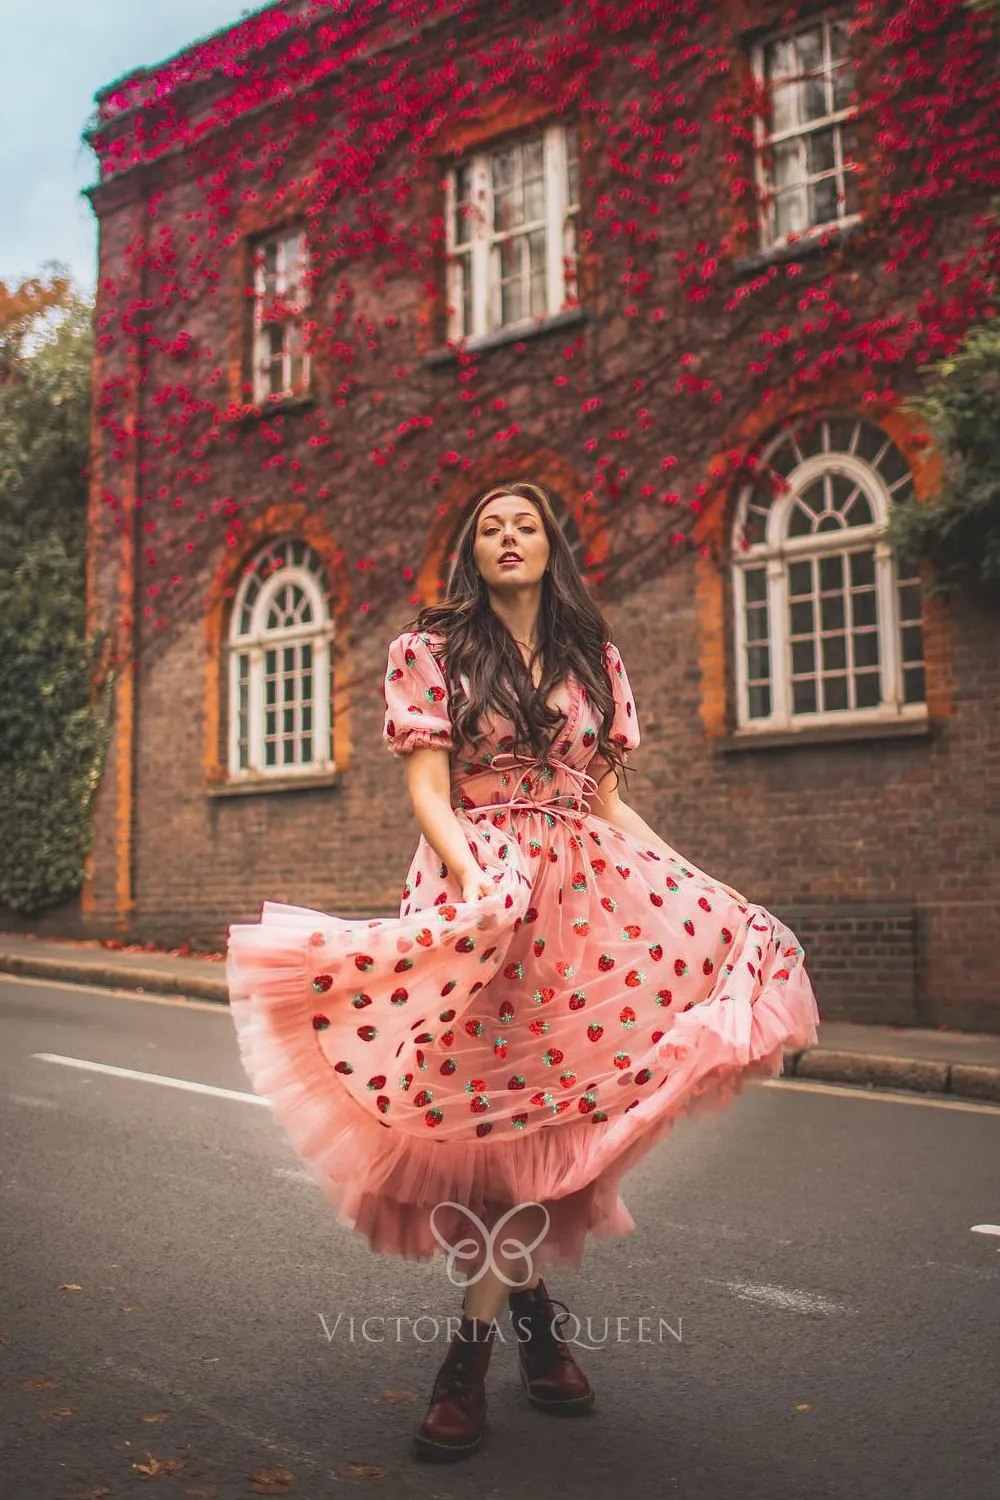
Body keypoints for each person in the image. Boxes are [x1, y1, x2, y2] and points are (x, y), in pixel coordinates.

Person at [225, 478, 820, 1463]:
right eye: (490, 527)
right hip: (481, 890)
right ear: (474, 552)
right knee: (495, 1111)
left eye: (525, 525)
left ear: (550, 546)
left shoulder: (593, 656)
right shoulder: (432, 651)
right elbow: (429, 791)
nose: (508, 537)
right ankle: (518, 1334)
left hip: (582, 902)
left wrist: (698, 882)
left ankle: (489, 1346)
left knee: (543, 1116)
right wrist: (474, 879)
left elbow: (607, 802)